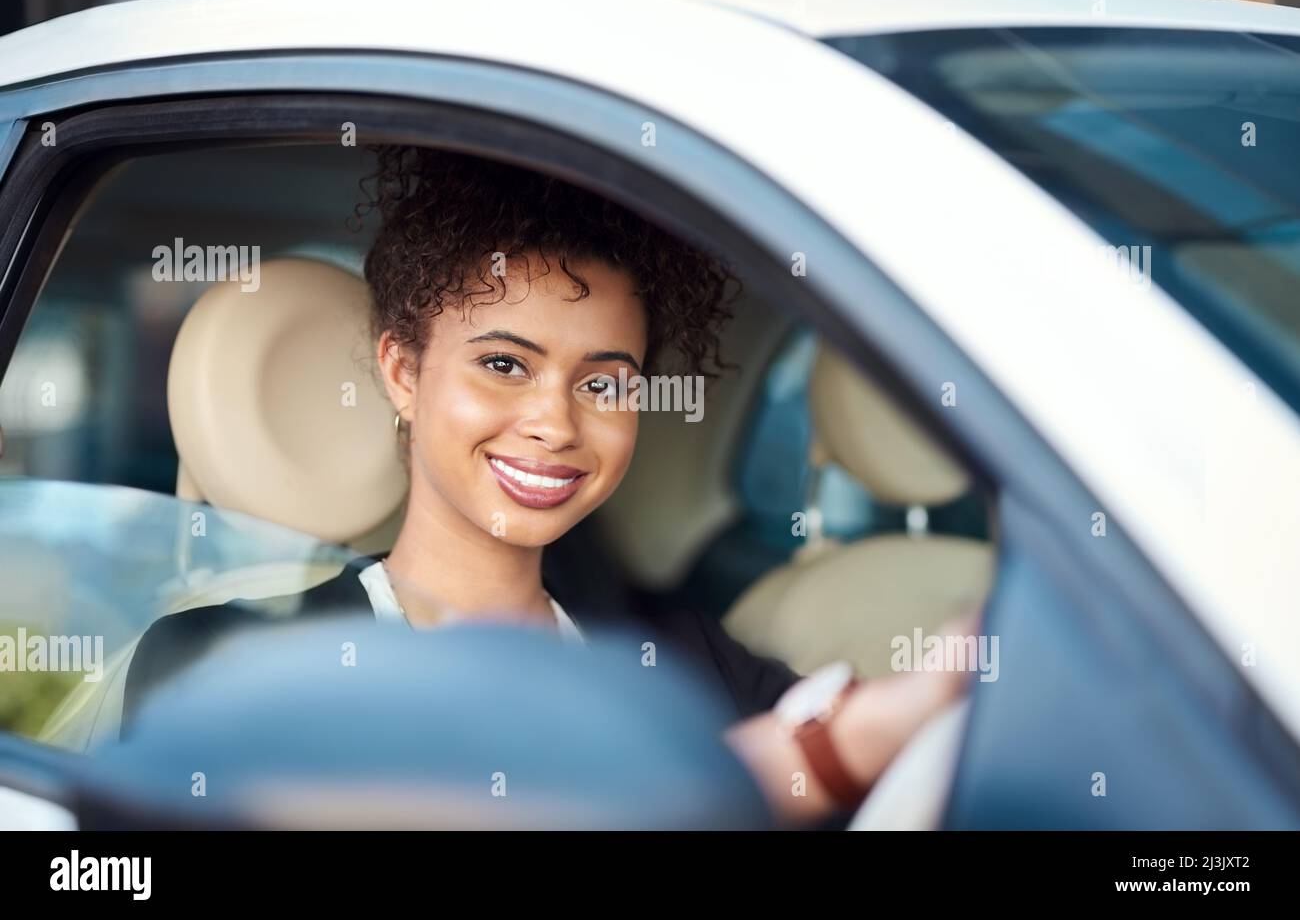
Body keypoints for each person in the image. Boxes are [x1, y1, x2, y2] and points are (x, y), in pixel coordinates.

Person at [125, 146, 975, 827]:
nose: (556, 423)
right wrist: (825, 752)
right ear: (401, 371)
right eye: (503, 364)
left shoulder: (690, 663)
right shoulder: (219, 660)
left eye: (604, 382)